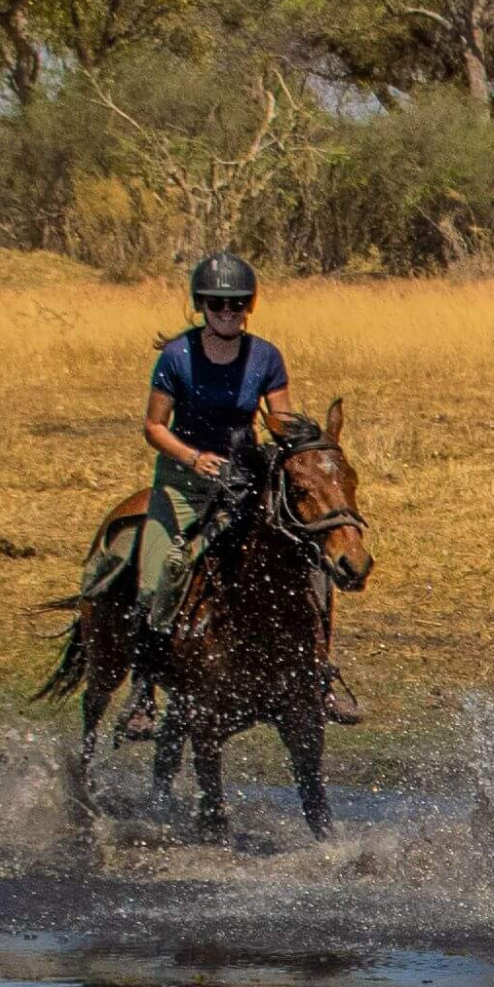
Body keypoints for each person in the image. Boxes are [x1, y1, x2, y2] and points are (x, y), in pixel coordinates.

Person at [120, 250, 362, 739]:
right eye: (216, 305)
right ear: (201, 306)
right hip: (183, 482)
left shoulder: (266, 357)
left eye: (236, 306)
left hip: (244, 480)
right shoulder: (177, 357)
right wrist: (193, 459)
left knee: (311, 565)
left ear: (248, 307)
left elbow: (280, 420)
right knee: (157, 573)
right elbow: (153, 426)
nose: (227, 314)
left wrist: (301, 450)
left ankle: (321, 673)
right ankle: (143, 689)